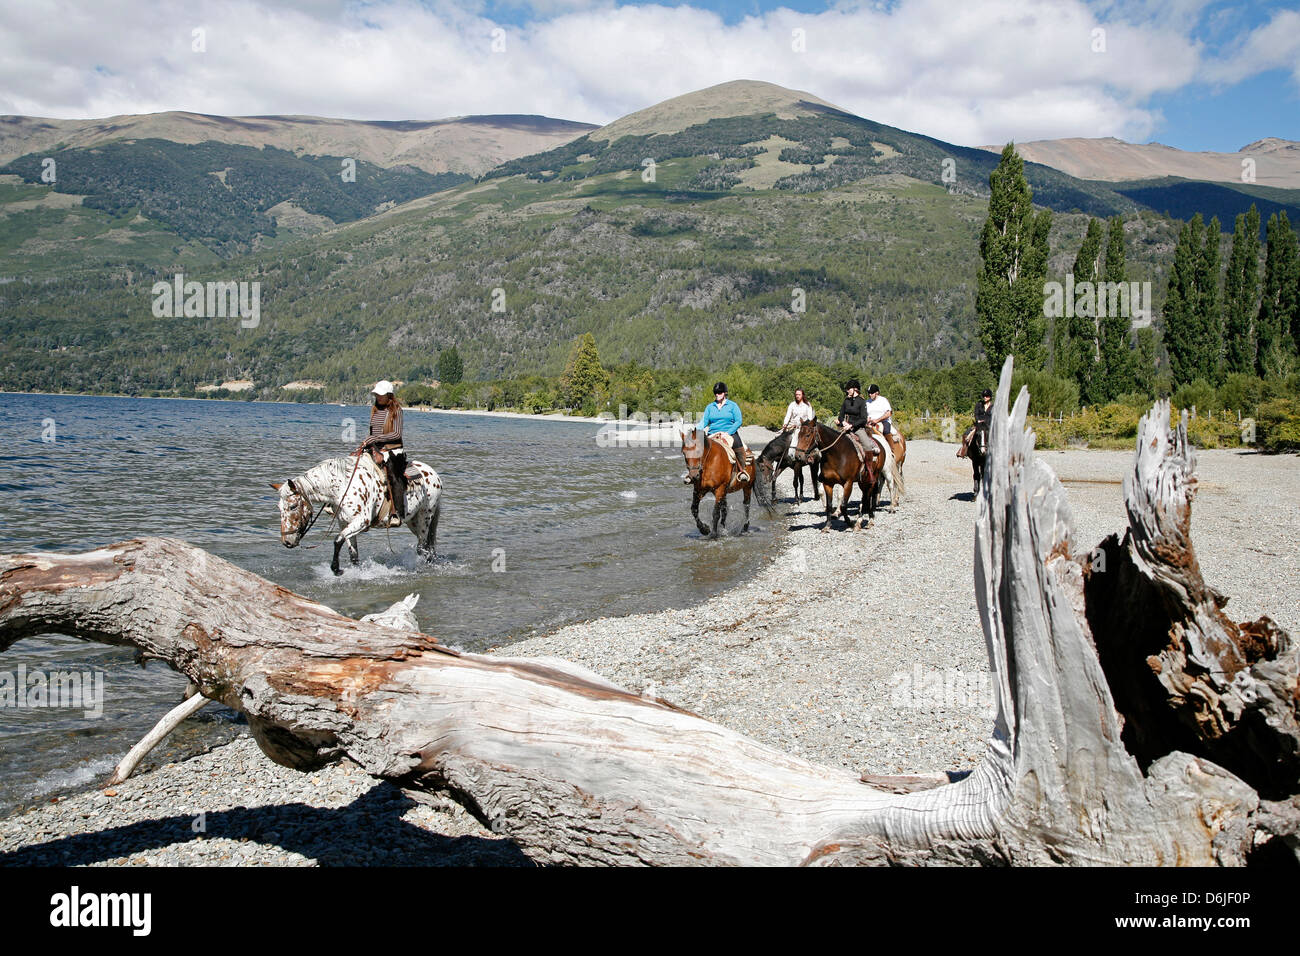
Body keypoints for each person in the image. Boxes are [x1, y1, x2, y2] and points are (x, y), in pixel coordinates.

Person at [361, 380, 407, 523]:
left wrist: (376, 438)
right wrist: (368, 443)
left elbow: (397, 434)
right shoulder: (375, 409)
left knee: (393, 476)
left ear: (389, 396)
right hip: (375, 448)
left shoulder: (396, 410)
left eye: (381, 395)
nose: (378, 397)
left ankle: (396, 512)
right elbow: (373, 431)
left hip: (392, 450)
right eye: (377, 395)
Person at [697, 381, 748, 482]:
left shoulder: (733, 405)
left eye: (719, 392)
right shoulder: (710, 407)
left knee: (739, 446)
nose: (717, 395)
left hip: (729, 433)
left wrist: (728, 433)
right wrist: (696, 430)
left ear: (725, 393)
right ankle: (695, 472)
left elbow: (738, 421)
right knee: (697, 448)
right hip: (713, 433)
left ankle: (742, 470)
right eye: (715, 393)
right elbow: (704, 421)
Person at [835, 379, 870, 460]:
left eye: (849, 389)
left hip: (858, 429)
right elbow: (840, 416)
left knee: (868, 446)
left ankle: (869, 469)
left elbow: (863, 419)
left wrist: (851, 425)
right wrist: (843, 422)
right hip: (845, 428)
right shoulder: (846, 400)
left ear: (855, 389)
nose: (847, 391)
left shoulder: (862, 401)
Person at [959, 388, 993, 458]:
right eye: (984, 396)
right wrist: (978, 421)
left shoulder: (993, 406)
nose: (985, 397)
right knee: (966, 434)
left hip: (988, 425)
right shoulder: (979, 404)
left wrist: (986, 421)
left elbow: (993, 416)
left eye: (986, 396)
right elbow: (976, 414)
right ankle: (963, 451)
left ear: (990, 397)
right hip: (979, 425)